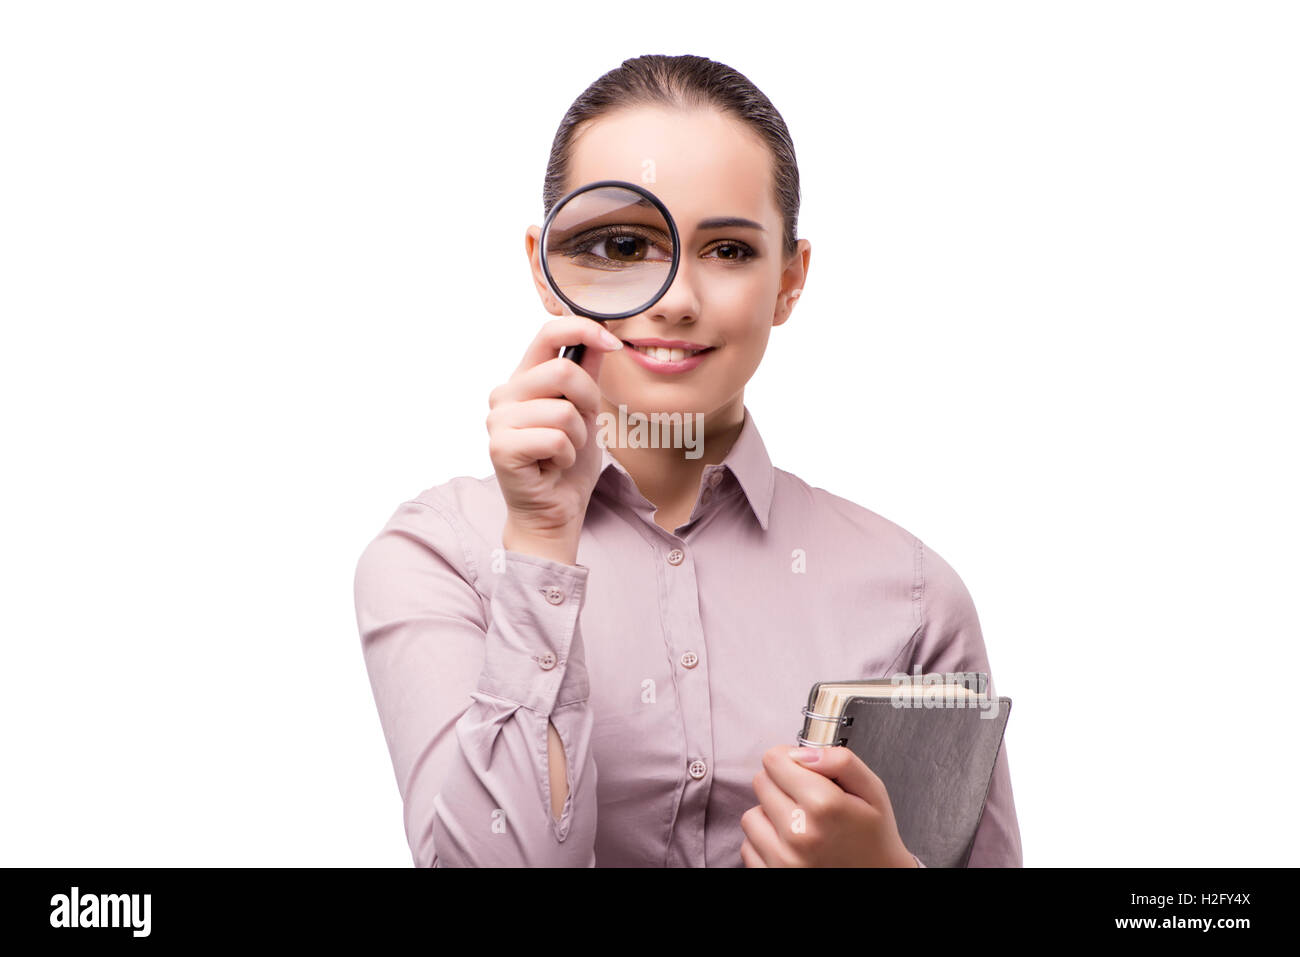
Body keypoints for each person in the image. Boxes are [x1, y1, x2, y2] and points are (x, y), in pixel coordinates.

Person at [353, 53, 1023, 867]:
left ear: (790, 279)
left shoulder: (915, 598)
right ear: (545, 266)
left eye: (730, 251)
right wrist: (539, 541)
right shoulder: (439, 555)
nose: (674, 297)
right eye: (624, 243)